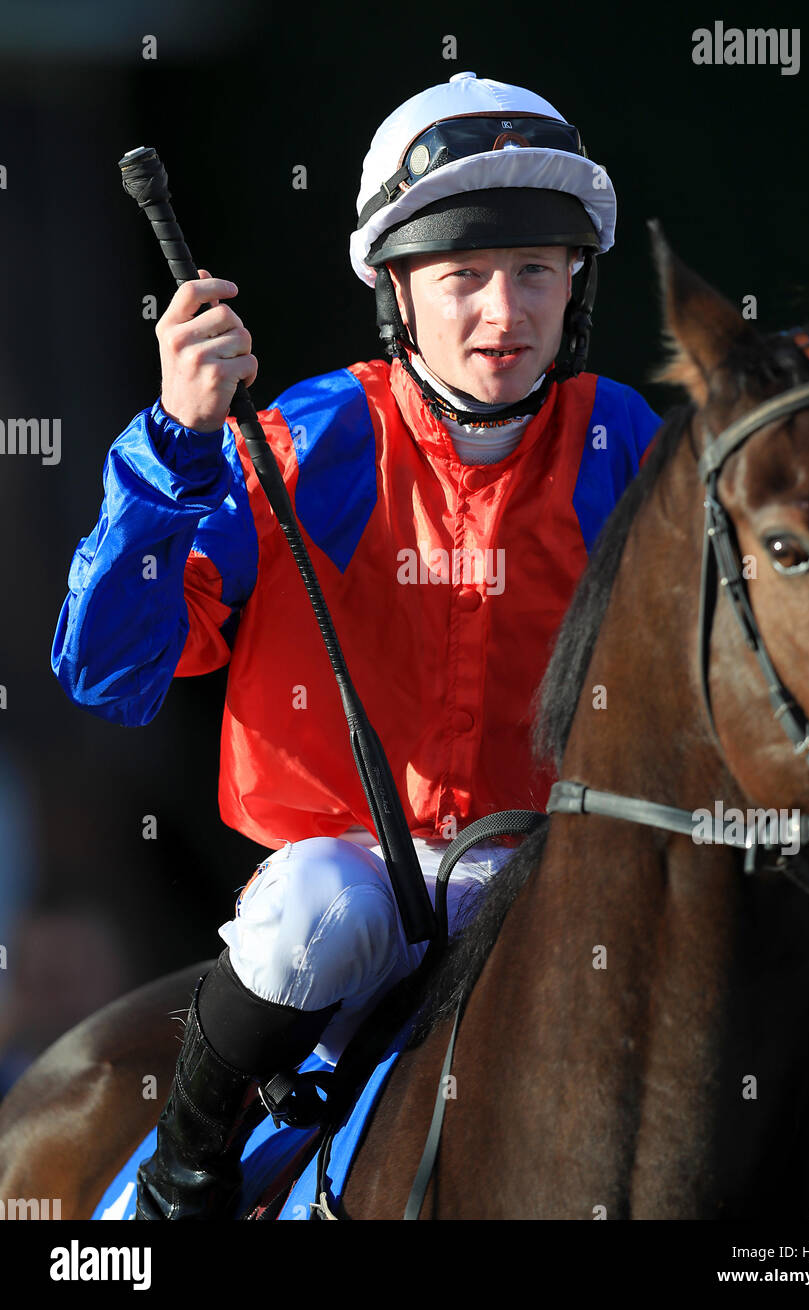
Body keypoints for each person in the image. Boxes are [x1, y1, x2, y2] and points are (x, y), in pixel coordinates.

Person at [51, 71, 662, 1219]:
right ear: (398, 287)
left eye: (535, 271)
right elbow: (110, 669)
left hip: (541, 869)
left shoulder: (621, 441)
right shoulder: (312, 436)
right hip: (343, 875)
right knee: (314, 912)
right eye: (464, 277)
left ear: (574, 282)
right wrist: (177, 446)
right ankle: (180, 1175)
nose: (504, 312)